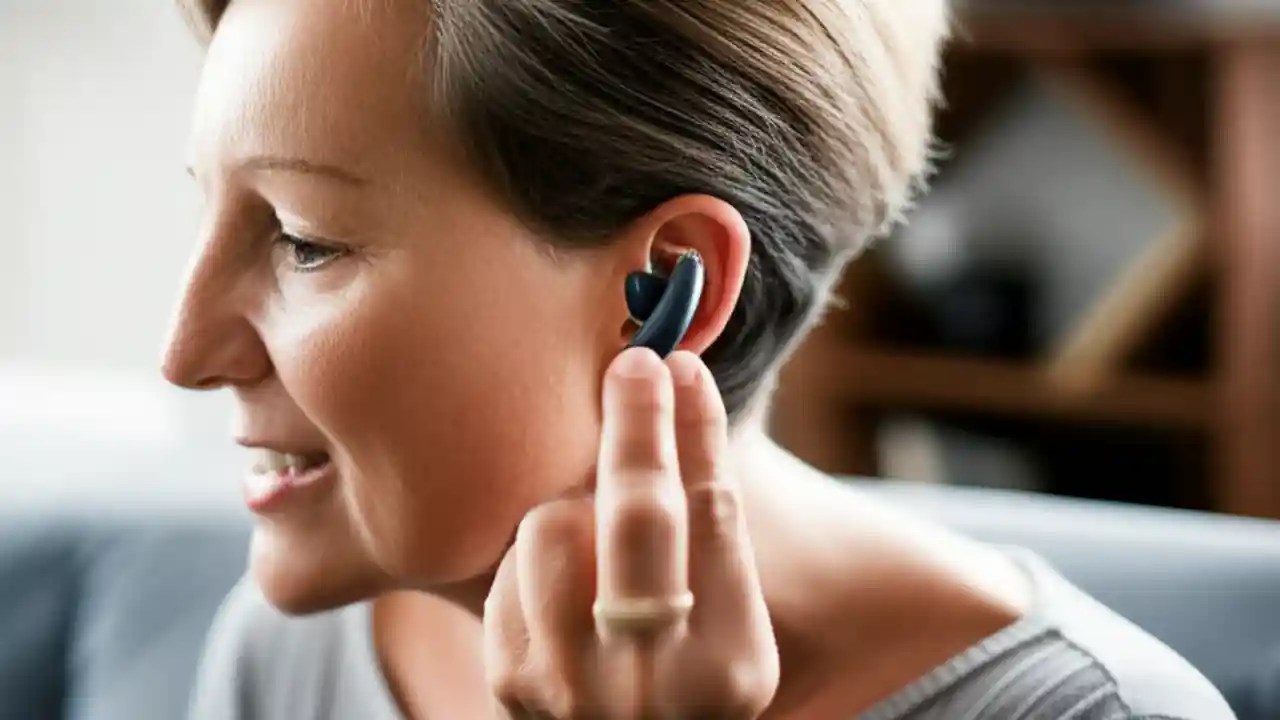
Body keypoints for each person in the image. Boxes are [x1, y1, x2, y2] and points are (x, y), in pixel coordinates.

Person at [164, 0, 1236, 718]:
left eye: (304, 239)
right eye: (207, 208)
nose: (185, 351)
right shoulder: (288, 658)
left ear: (659, 293)